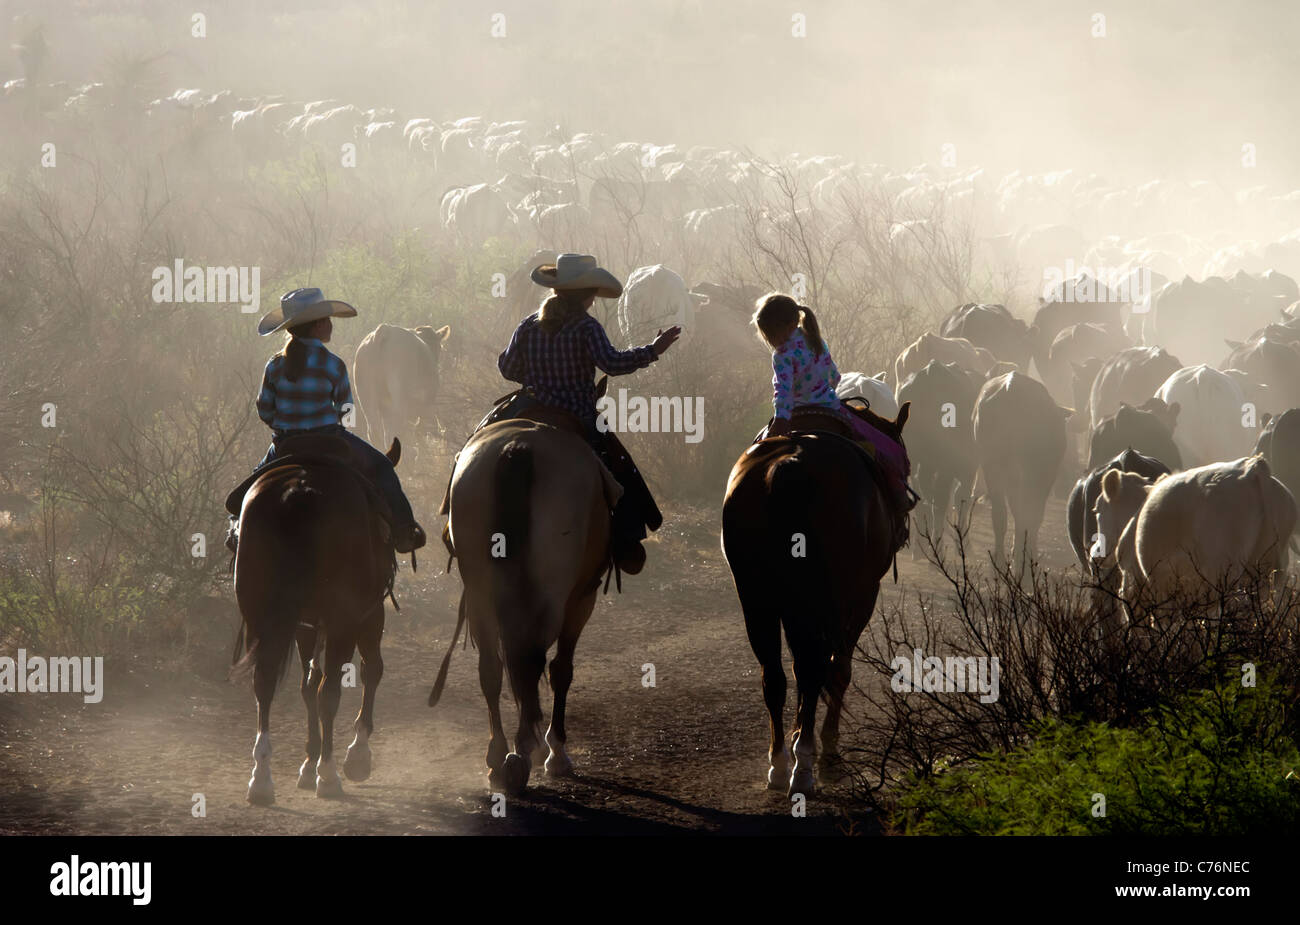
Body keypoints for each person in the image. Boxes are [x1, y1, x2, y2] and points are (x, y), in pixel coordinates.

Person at [496, 253, 680, 573]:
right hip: (577, 413)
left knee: (484, 436)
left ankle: (454, 514)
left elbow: (508, 368)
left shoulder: (529, 324)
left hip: (530, 407)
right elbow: (612, 364)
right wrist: (653, 350)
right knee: (619, 464)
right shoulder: (586, 327)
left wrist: (537, 375)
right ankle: (627, 538)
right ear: (588, 295)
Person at [227, 288, 427, 554]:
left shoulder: (274, 366)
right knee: (382, 467)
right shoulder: (333, 364)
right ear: (319, 324)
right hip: (330, 440)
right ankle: (404, 532)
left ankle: (237, 532)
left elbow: (264, 409)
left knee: (247, 490)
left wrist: (286, 425)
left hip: (286, 444)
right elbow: (346, 413)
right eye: (328, 319)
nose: (331, 324)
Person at [752, 292, 913, 523]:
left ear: (788, 325)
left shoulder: (782, 355)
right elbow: (835, 378)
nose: (771, 341)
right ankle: (897, 493)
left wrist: (781, 419)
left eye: (771, 334)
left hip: (793, 415)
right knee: (874, 444)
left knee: (758, 460)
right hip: (829, 408)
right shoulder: (815, 341)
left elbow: (784, 392)